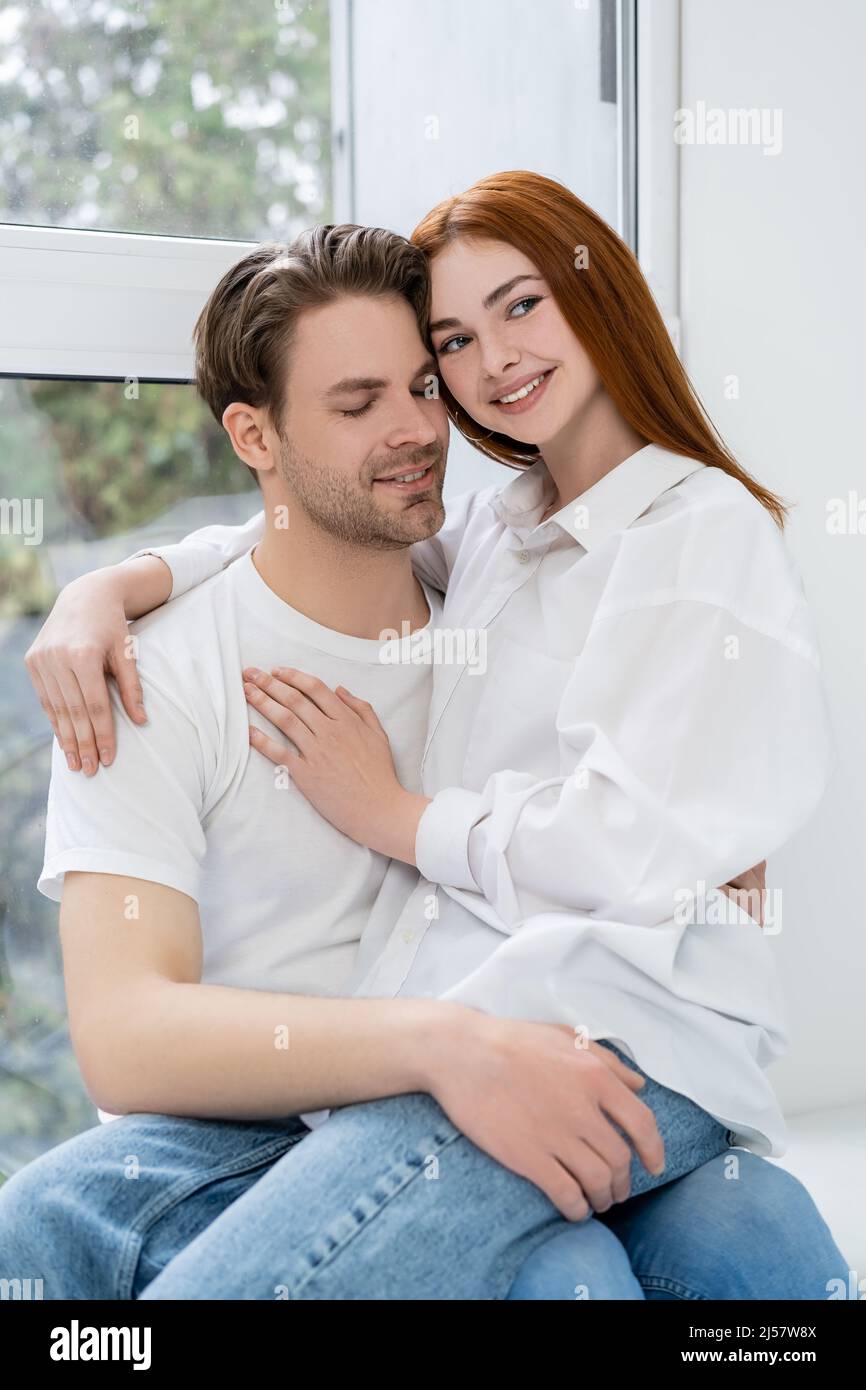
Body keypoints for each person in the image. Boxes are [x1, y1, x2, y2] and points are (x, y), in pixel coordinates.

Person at [7, 177, 847, 1299]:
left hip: (592, 1035)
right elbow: (308, 540)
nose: (427, 417)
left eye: (423, 378)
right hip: (381, 1067)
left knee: (695, 1248)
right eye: (447, 343)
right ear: (252, 433)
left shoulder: (656, 540)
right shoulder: (498, 536)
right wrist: (110, 583)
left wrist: (400, 819)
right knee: (40, 1225)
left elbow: (634, 834)